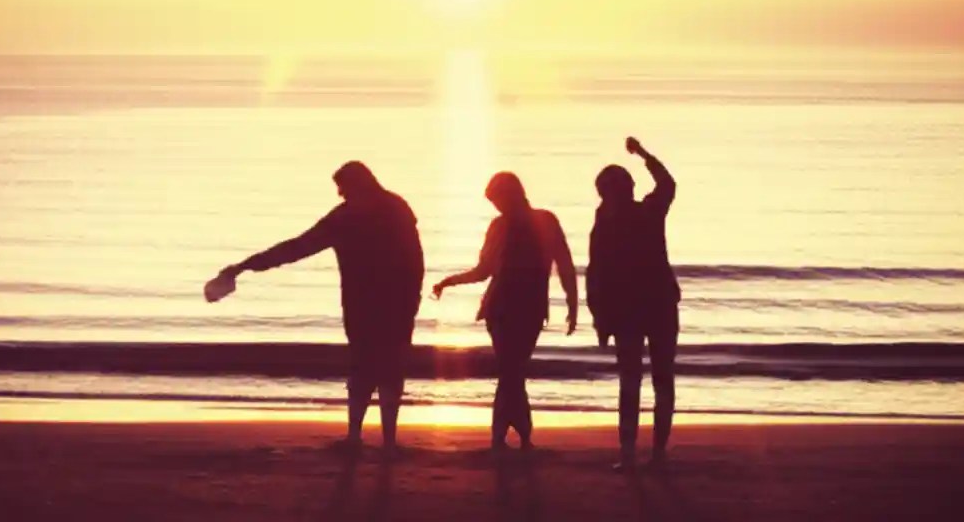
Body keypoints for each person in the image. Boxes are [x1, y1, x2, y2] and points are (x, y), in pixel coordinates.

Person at [214, 161, 424, 455]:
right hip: (387, 304)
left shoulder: (350, 217)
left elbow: (297, 247)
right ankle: (379, 440)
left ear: (357, 184)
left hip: (372, 304)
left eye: (343, 187)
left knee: (368, 368)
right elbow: (416, 261)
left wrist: (245, 266)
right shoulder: (390, 209)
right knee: (384, 370)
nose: (339, 193)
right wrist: (246, 265)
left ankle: (360, 437)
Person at [432, 172, 578, 451]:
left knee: (512, 371)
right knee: (512, 371)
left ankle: (509, 436)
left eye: (497, 200)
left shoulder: (545, 221)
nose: (497, 207)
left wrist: (572, 303)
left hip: (530, 308)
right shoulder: (500, 226)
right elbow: (483, 270)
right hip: (500, 308)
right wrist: (449, 282)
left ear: (511, 194)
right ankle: (513, 437)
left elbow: (564, 263)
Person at [587, 137, 679, 472]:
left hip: (641, 311)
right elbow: (596, 276)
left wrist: (600, 318)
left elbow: (595, 277)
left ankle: (640, 453)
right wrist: (643, 154)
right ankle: (650, 453)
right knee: (655, 380)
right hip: (652, 310)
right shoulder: (643, 214)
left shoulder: (616, 221)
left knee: (640, 381)